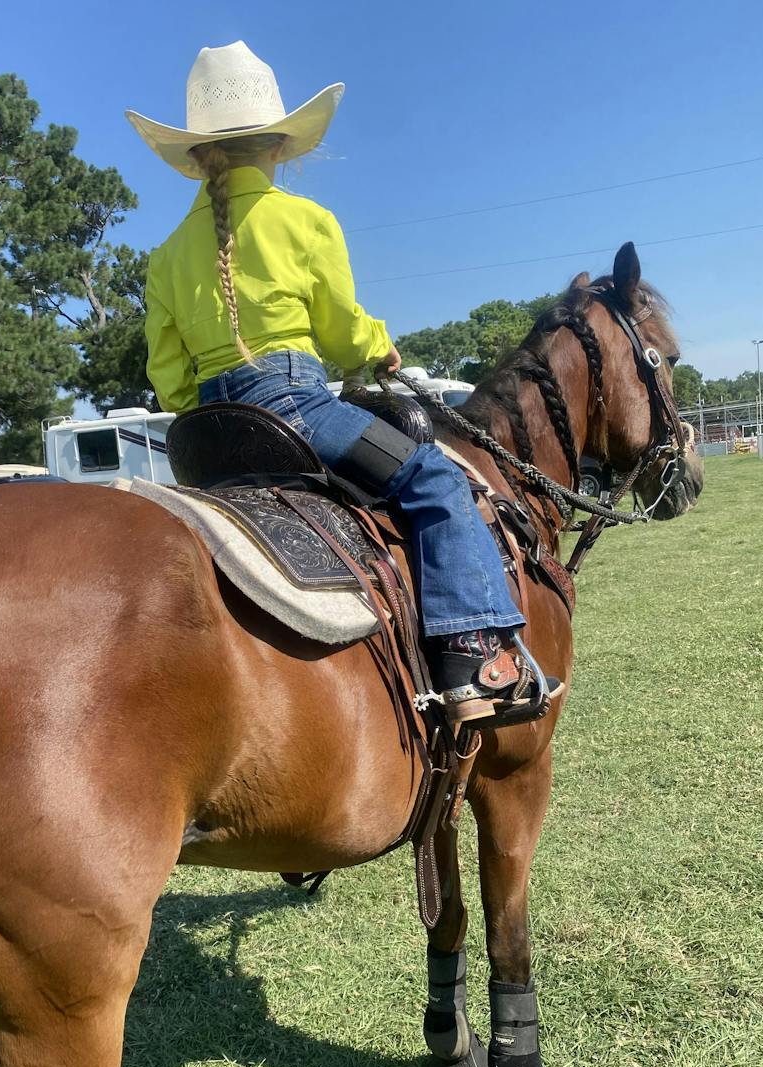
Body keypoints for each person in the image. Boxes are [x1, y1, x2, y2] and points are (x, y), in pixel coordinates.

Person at [127, 42, 559, 726]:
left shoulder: (166, 257)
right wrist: (376, 347)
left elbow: (171, 380)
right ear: (278, 145)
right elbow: (339, 332)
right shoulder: (306, 221)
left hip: (209, 436)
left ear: (199, 156)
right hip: (297, 408)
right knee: (435, 483)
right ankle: (473, 657)